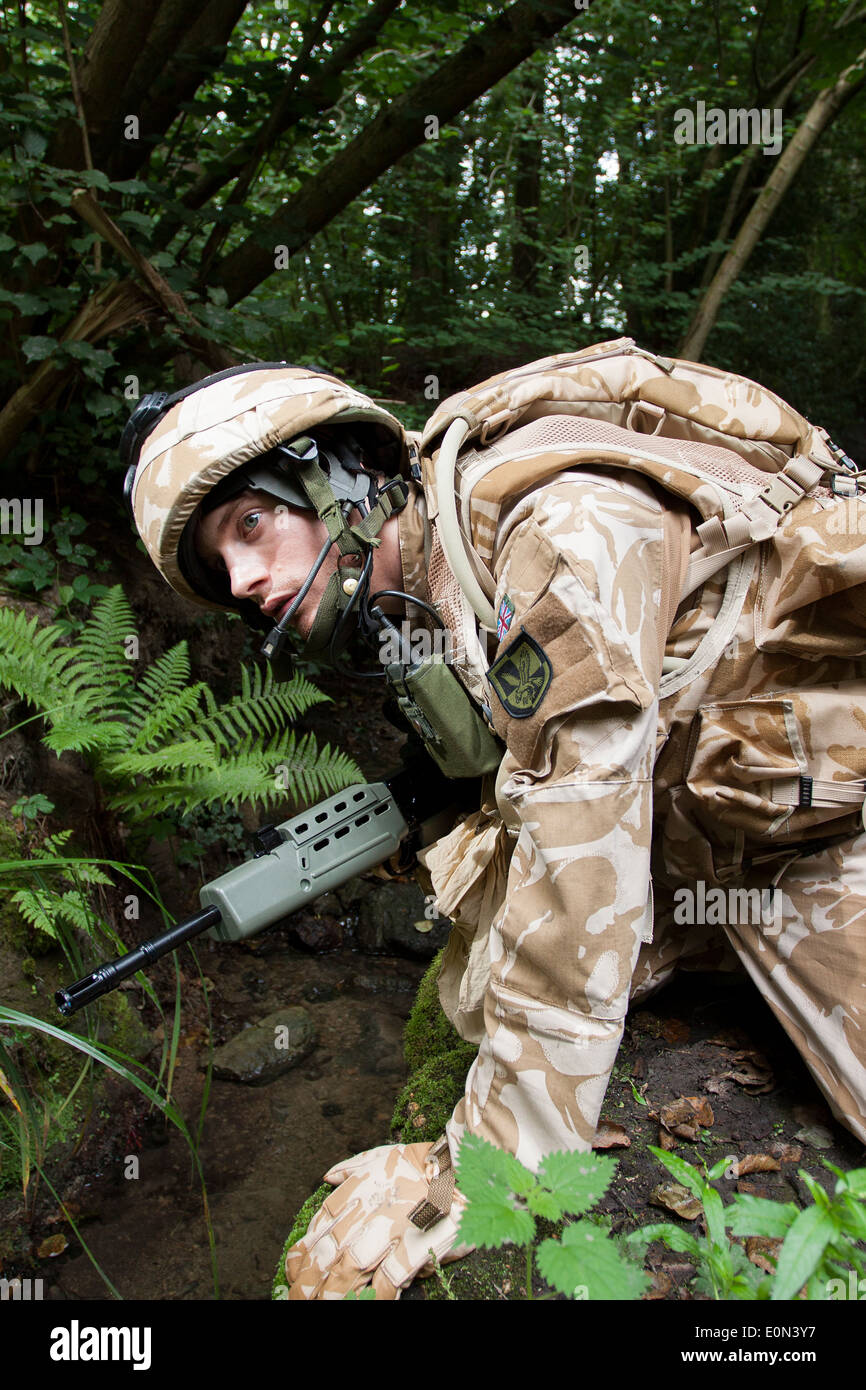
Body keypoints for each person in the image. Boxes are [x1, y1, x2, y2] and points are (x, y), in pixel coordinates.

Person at [123, 343, 866, 1300]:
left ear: (341, 476)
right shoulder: (429, 589)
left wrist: (480, 1173)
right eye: (221, 565)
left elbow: (581, 835)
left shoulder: (557, 525)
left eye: (251, 524)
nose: (242, 581)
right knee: (476, 979)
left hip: (813, 827)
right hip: (726, 827)